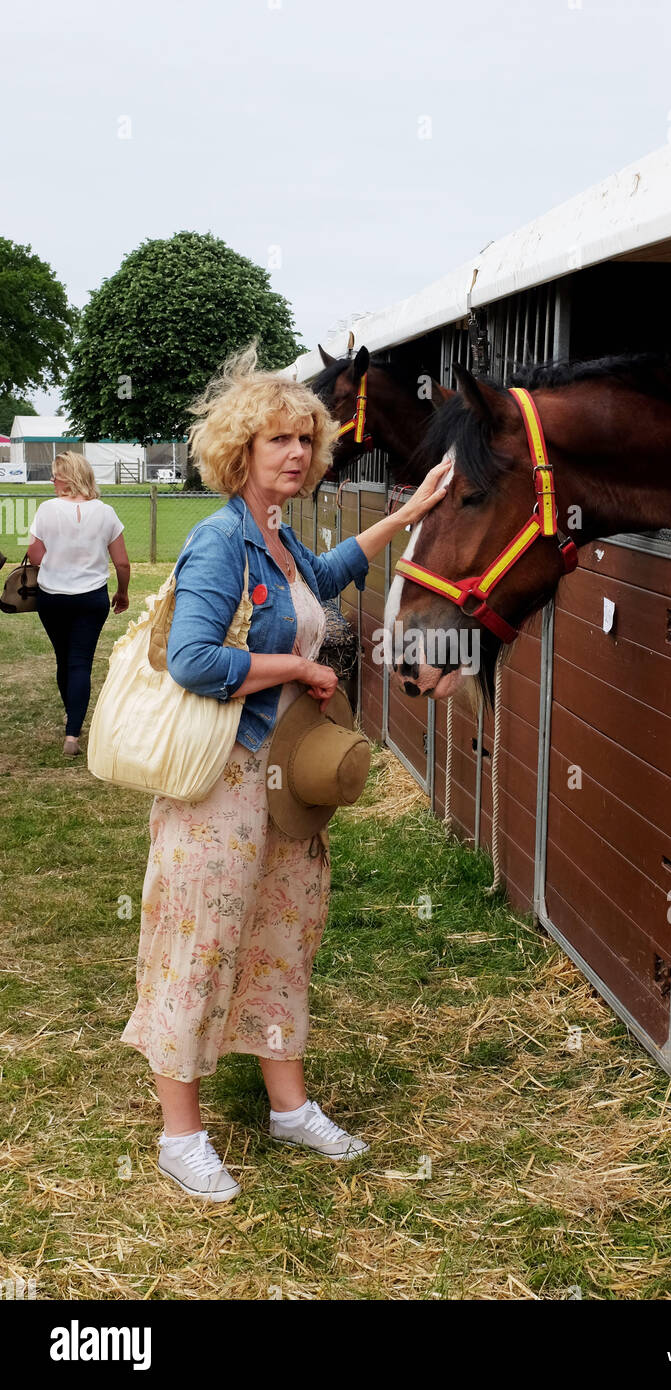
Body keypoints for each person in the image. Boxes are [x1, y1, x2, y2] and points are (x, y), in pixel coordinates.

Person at [119, 344, 452, 1201]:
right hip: (220, 786)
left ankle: (288, 1107)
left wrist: (408, 512)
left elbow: (327, 575)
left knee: (280, 942)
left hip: (281, 794)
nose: (297, 453)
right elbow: (194, 659)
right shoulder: (218, 540)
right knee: (197, 947)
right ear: (242, 450)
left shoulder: (279, 536)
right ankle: (178, 1135)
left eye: (307, 439)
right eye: (278, 440)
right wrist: (298, 672)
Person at [26, 452, 131, 757]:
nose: (52, 481)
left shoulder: (46, 510)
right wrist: (122, 592)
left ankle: (71, 717)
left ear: (66, 478)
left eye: (54, 476)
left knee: (64, 659)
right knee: (81, 661)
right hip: (91, 596)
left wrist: (59, 565)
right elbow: (122, 563)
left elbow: (34, 555)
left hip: (53, 596)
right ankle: (73, 733)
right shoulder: (106, 512)